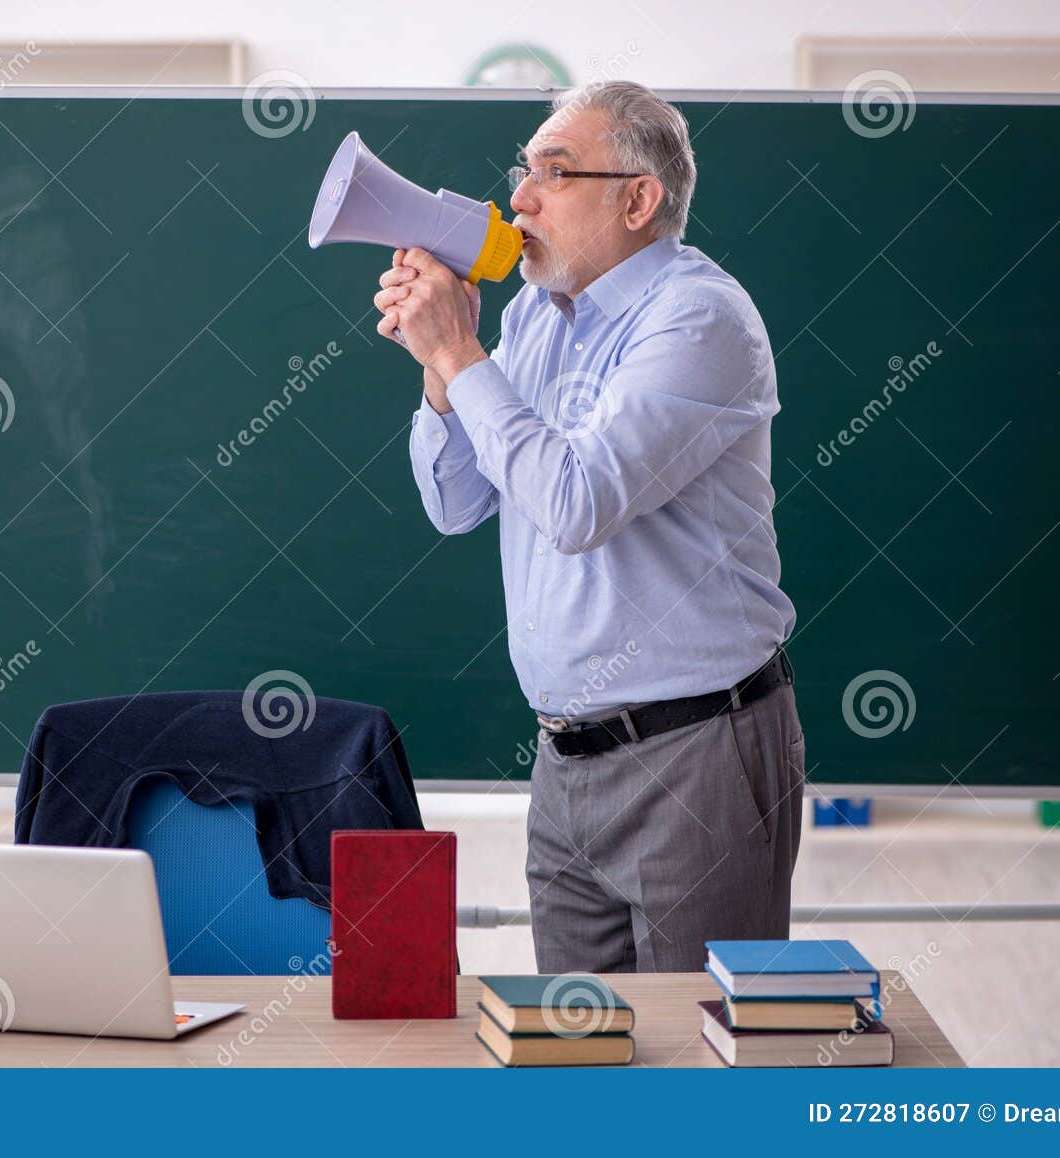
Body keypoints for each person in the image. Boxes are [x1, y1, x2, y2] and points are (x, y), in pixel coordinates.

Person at [374, 81, 803, 973]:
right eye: (522, 171)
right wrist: (439, 368)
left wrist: (461, 351)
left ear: (638, 200)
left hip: (695, 756)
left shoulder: (699, 318)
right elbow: (456, 505)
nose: (519, 199)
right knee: (580, 1060)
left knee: (700, 1064)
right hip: (563, 763)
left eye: (554, 174)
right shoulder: (532, 315)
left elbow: (576, 504)